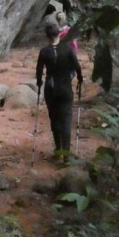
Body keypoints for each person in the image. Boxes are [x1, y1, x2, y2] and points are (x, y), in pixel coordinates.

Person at [36, 22, 83, 159]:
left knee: (55, 120)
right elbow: (77, 66)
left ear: (47, 36)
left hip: (51, 91)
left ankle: (58, 151)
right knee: (66, 120)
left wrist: (39, 83)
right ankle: (67, 156)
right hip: (65, 90)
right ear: (59, 34)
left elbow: (39, 72)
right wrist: (79, 79)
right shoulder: (68, 49)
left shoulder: (44, 52)